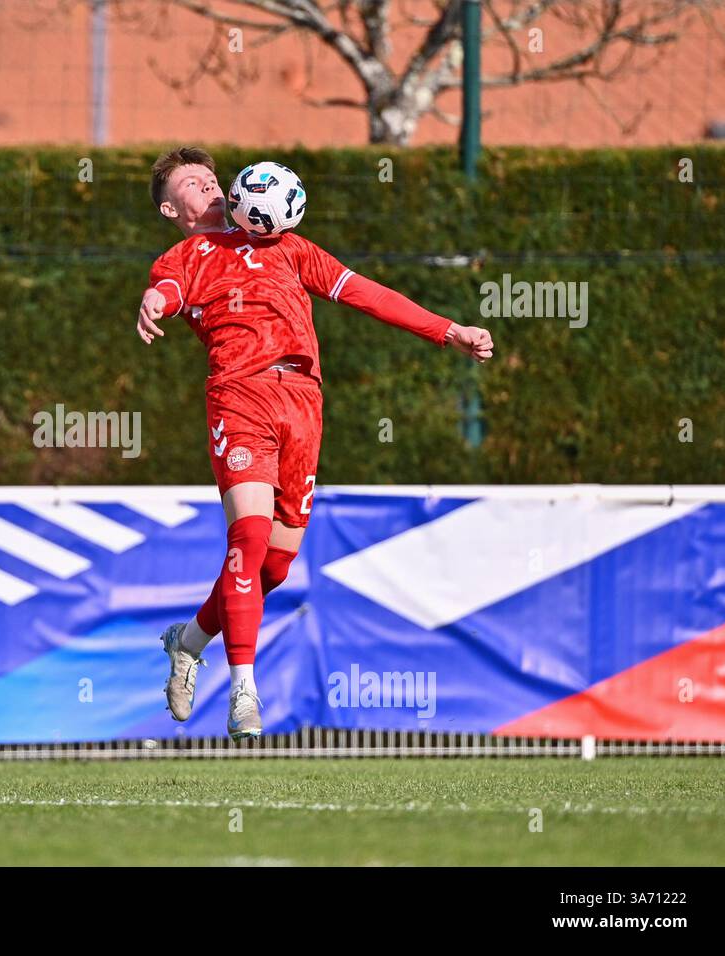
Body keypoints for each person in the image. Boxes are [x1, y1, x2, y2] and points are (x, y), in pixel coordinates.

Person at [138, 148, 493, 739]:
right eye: (194, 186)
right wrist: (155, 301)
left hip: (303, 400)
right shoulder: (186, 255)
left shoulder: (288, 245)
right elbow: (169, 289)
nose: (211, 188)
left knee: (274, 564)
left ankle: (190, 639)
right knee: (247, 538)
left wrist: (447, 329)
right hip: (240, 394)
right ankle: (244, 693)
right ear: (173, 208)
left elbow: (366, 293)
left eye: (211, 177)